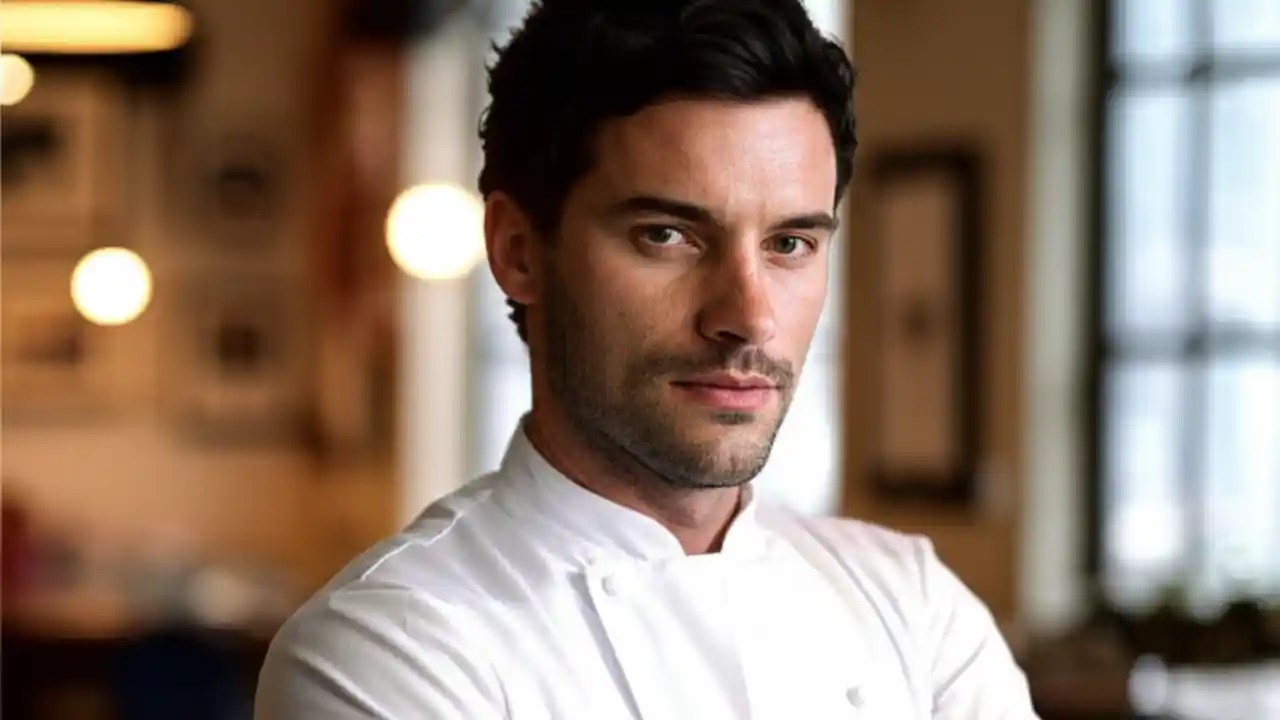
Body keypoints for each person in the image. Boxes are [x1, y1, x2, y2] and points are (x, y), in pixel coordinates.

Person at [256, 0, 1040, 717]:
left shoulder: (911, 605)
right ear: (518, 250)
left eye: (790, 244)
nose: (749, 317)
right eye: (668, 235)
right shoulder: (385, 648)